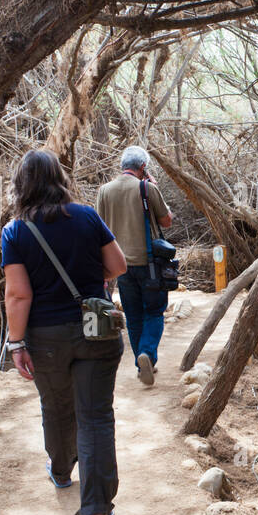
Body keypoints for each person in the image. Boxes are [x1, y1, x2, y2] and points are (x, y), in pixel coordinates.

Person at [1, 150, 128, 515]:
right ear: (60, 178)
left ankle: (60, 472)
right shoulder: (87, 216)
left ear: (21, 185)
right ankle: (98, 508)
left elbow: (18, 295)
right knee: (95, 417)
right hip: (96, 333)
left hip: (46, 338)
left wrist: (16, 344)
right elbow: (119, 266)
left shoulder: (16, 231)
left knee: (56, 407)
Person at [96, 145, 173, 386]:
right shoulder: (147, 188)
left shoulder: (104, 191)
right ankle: (147, 354)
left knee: (134, 314)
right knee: (154, 311)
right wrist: (154, 188)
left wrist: (103, 272)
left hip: (119, 266)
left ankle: (142, 366)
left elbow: (98, 230)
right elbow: (166, 221)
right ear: (143, 167)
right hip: (149, 264)